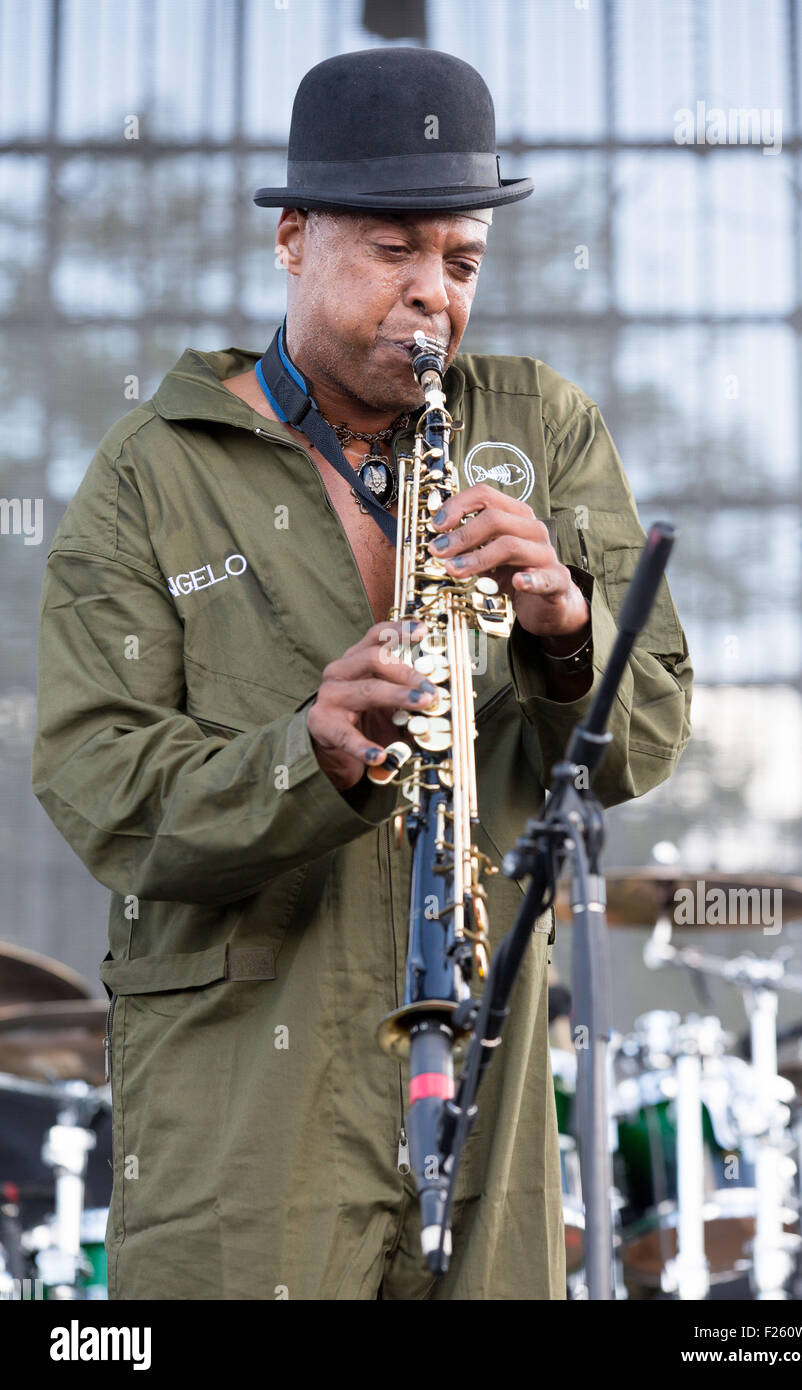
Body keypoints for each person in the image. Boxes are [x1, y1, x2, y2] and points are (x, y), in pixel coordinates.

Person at [32, 47, 693, 1300]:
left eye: (459, 262)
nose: (430, 297)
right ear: (292, 239)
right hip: (240, 1095)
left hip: (486, 1073)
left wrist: (563, 630)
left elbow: (641, 739)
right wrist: (308, 752)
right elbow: (96, 780)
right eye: (393, 251)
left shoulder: (544, 427)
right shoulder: (150, 467)